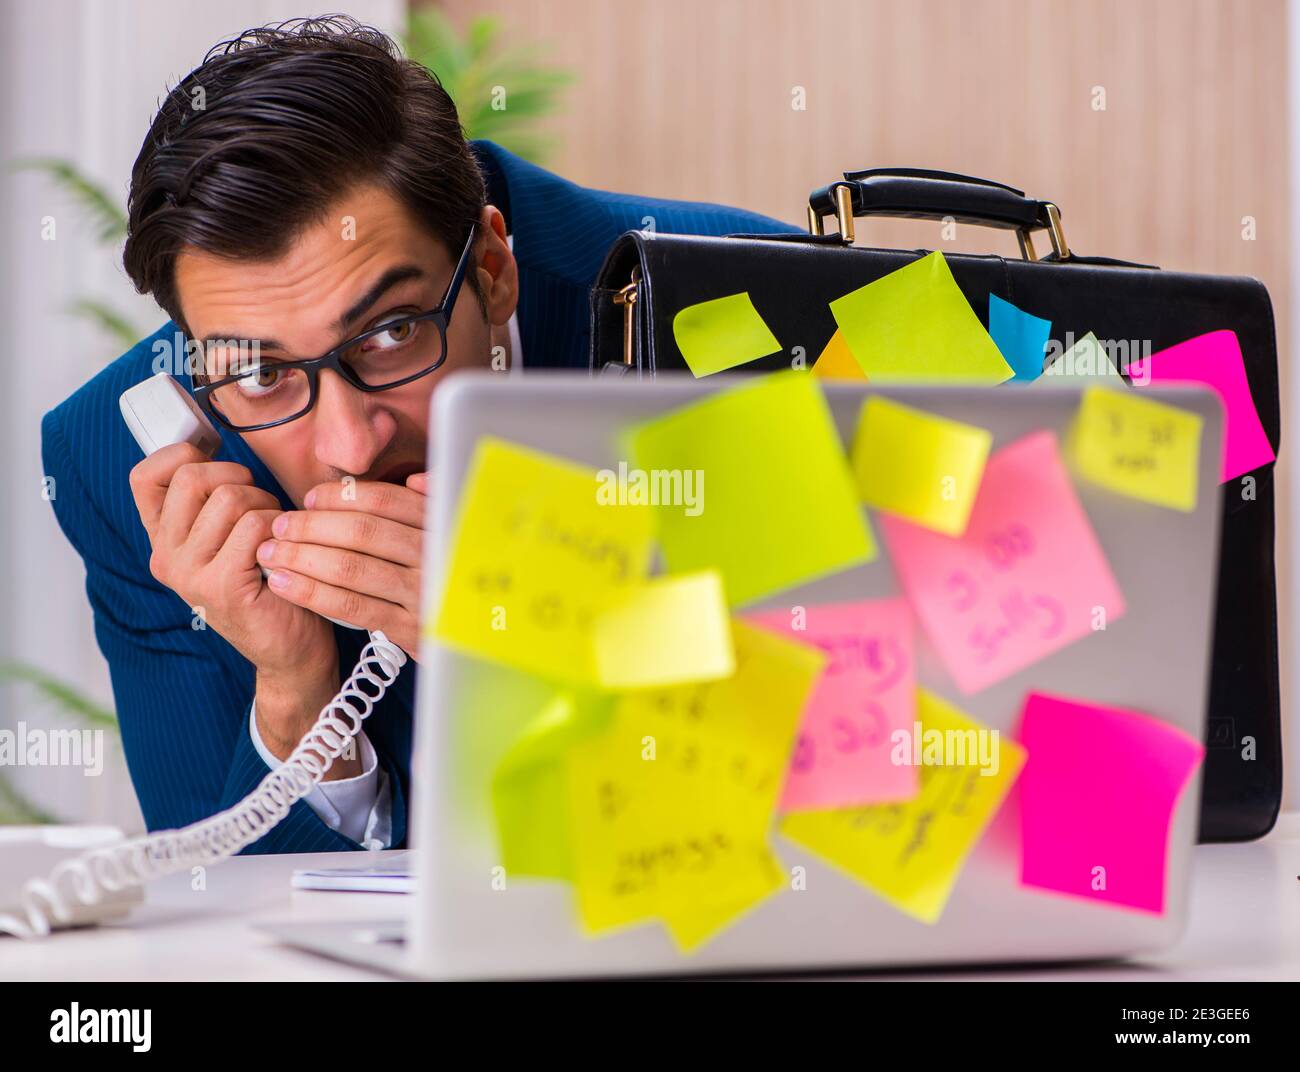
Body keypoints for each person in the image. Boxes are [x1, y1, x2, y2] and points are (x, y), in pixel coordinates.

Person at [41, 16, 791, 852]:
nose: (353, 446)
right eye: (261, 372)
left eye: (392, 331)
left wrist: (546, 648)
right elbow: (224, 924)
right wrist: (296, 693)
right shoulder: (121, 468)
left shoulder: (761, 318)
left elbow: (875, 799)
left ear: (493, 272)